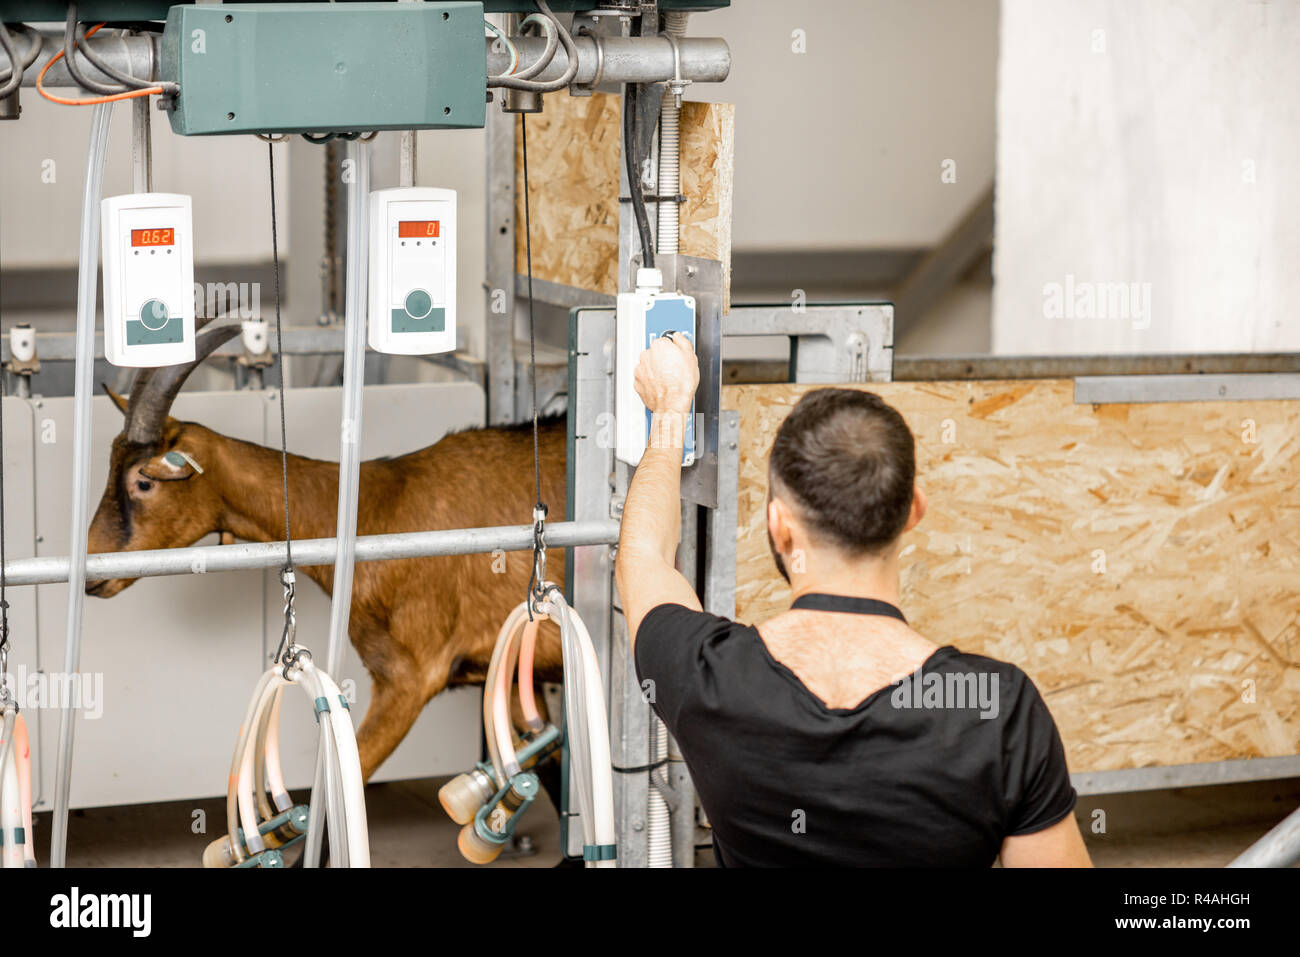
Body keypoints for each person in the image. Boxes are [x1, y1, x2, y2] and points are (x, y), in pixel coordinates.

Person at [614, 334, 1092, 867]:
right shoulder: (994, 707)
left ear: (778, 526)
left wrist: (671, 410)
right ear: (913, 511)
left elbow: (643, 557)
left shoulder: (707, 674)